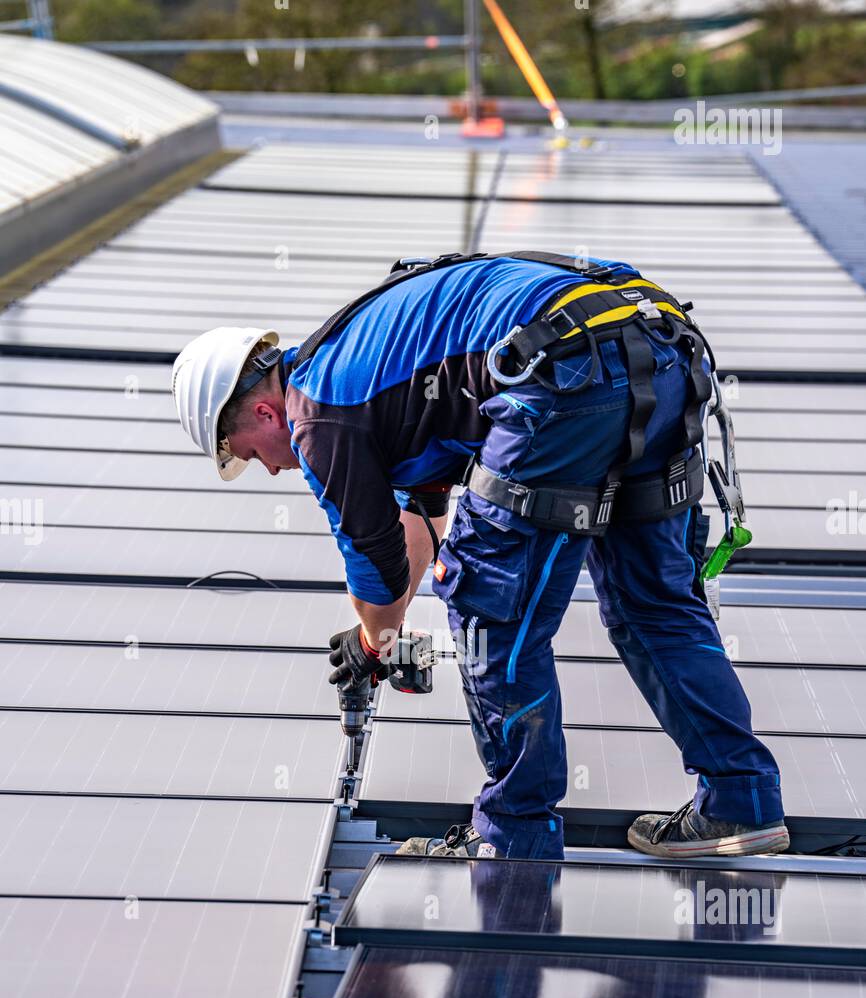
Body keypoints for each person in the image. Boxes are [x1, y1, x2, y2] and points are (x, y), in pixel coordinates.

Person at [172, 253, 787, 861]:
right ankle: (740, 802)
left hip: (564, 374)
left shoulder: (322, 415)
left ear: (261, 411)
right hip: (655, 348)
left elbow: (376, 561)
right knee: (654, 601)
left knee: (490, 612)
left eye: (250, 454)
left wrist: (373, 640)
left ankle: (513, 835)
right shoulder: (369, 374)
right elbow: (422, 520)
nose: (271, 467)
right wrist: (382, 636)